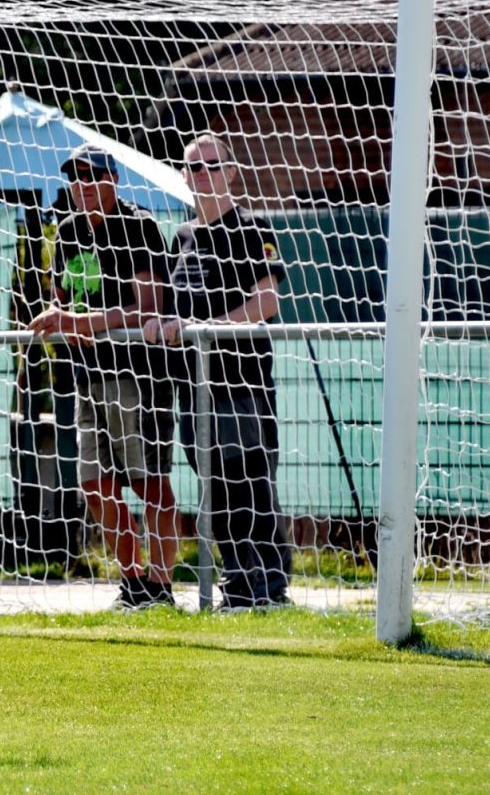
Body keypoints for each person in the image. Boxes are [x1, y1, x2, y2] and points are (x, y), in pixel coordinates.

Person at [144, 134, 292, 609]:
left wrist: (204, 328)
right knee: (219, 496)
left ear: (231, 171)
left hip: (241, 384)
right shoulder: (181, 237)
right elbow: (168, 306)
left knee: (248, 487)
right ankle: (239, 587)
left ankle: (266, 589)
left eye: (210, 166)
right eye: (192, 168)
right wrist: (157, 322)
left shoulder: (252, 228)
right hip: (195, 389)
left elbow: (267, 302)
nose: (200, 175)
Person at [29, 147, 179, 608]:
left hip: (137, 377)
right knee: (94, 485)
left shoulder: (140, 225)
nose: (83, 185)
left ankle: (162, 585)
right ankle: (132, 583)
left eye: (92, 176)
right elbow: (61, 296)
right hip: (85, 378)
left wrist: (81, 323)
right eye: (74, 178)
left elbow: (148, 307)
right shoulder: (68, 231)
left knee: (148, 482)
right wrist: (58, 317)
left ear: (113, 178)